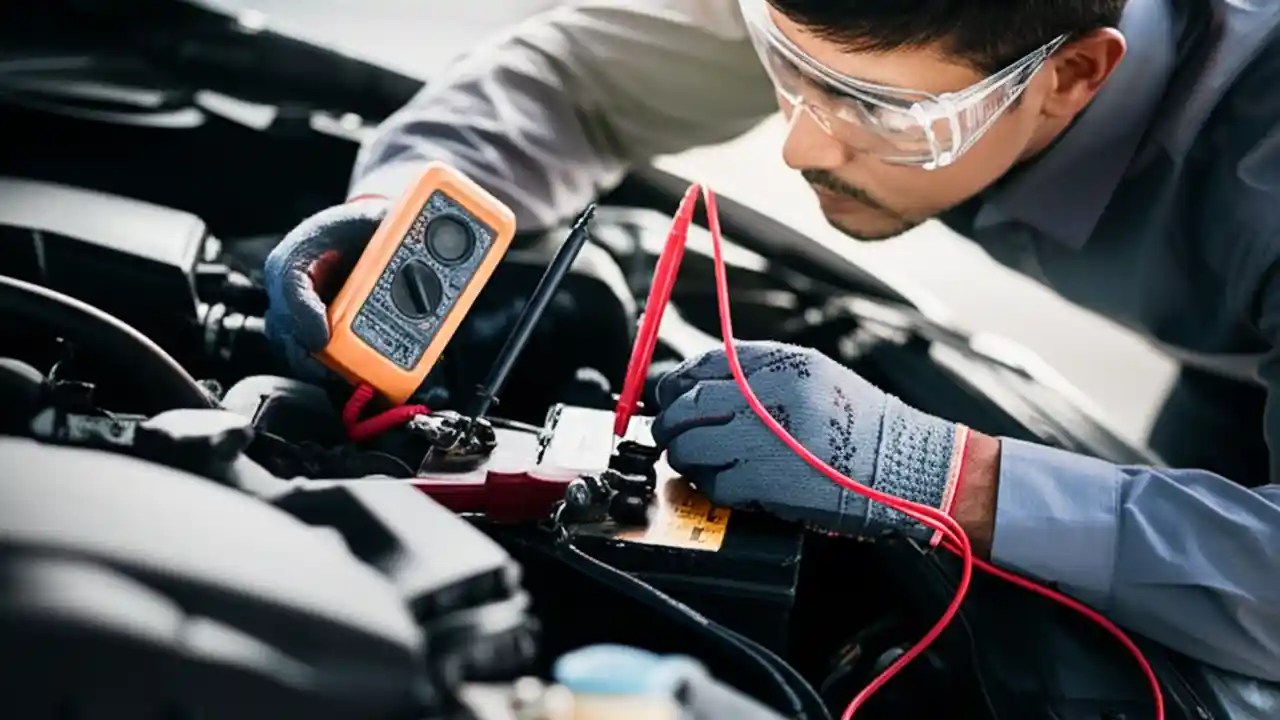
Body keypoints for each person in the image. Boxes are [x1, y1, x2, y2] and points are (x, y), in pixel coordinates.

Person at [263, 0, 1280, 699]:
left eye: (877, 111)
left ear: (1070, 77)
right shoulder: (902, 27)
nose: (799, 147)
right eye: (787, 67)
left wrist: (944, 472)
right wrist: (397, 210)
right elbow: (573, 80)